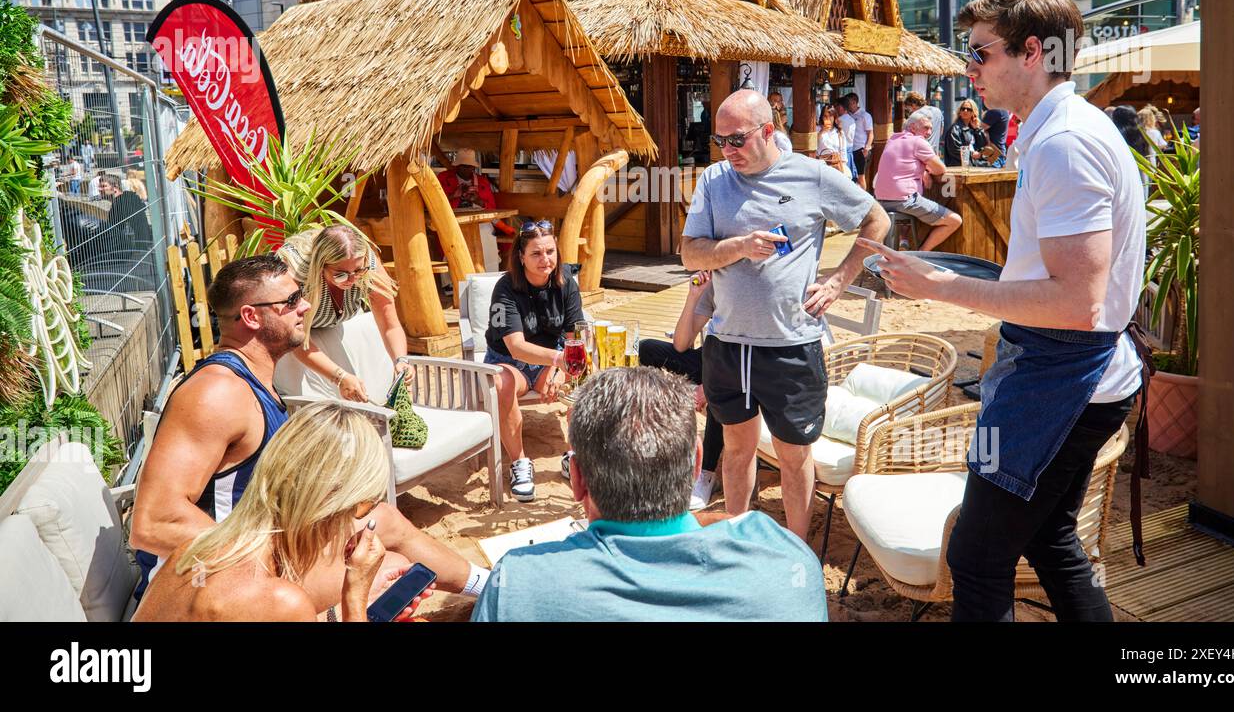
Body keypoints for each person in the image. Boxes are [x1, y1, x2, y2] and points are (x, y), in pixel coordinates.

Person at [867, 0, 1149, 622]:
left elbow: (1078, 301)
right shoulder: (1066, 129)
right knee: (1049, 541)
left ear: (1031, 52)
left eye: (979, 53)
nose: (969, 70)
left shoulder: (1064, 142)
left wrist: (945, 287)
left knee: (976, 556)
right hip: (1083, 377)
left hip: (1064, 379)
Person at [130, 255, 484, 605]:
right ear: (251, 317)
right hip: (210, 579)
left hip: (254, 549)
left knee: (382, 521)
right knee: (390, 571)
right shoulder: (216, 394)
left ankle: (492, 585)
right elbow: (153, 522)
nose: (307, 306)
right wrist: (273, 557)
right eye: (291, 301)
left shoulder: (253, 381)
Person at [680, 90, 889, 541]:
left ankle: (799, 556)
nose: (727, 151)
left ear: (768, 130)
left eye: (736, 140)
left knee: (795, 459)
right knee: (736, 451)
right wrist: (738, 245)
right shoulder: (714, 181)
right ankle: (737, 542)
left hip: (791, 345)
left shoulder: (810, 176)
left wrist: (838, 281)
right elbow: (690, 254)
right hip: (727, 344)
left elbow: (877, 220)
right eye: (720, 141)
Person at [472, 367, 827, 621]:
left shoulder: (517, 586)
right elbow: (741, 523)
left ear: (577, 478)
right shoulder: (789, 562)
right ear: (695, 465)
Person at [135, 401, 435, 621]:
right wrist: (355, 599)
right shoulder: (280, 600)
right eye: (361, 509)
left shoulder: (191, 551)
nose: (354, 527)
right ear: (325, 505)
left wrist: (341, 610)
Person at [483, 220, 583, 501]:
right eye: (536, 253)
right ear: (521, 256)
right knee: (501, 384)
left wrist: (559, 369)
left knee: (580, 375)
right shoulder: (505, 288)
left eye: (550, 251)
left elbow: (576, 334)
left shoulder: (565, 281)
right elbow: (515, 347)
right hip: (510, 362)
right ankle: (520, 463)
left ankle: (574, 456)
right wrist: (559, 359)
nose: (545, 259)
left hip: (551, 361)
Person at [275, 224, 406, 403]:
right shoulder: (297, 277)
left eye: (358, 272)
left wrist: (400, 359)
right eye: (341, 274)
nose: (351, 280)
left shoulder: (368, 266)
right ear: (321, 267)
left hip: (334, 327)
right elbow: (297, 341)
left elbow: (390, 324)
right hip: (295, 338)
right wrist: (339, 377)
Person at [637, 269, 724, 510]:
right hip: (710, 357)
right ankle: (654, 441)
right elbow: (681, 343)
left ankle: (706, 473)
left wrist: (708, 387)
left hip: (740, 366)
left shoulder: (748, 287)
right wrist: (694, 296)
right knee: (646, 349)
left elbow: (743, 353)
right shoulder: (716, 281)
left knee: (717, 392)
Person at [874, 112, 963, 251]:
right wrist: (926, 170)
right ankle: (921, 254)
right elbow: (940, 169)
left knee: (911, 213)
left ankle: (904, 243)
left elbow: (904, 164)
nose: (929, 133)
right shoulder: (918, 141)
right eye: (926, 128)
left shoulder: (893, 139)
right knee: (955, 221)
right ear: (913, 127)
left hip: (881, 200)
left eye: (930, 129)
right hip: (904, 200)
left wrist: (924, 170)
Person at [99, 172, 151, 254]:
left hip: (135, 253)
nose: (100, 189)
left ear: (115, 187)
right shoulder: (127, 197)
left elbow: (115, 229)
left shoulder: (122, 202)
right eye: (99, 186)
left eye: (104, 186)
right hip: (140, 247)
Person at [944, 99, 991, 167]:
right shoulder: (955, 129)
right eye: (963, 109)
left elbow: (982, 145)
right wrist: (971, 154)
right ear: (959, 112)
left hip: (973, 165)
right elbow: (954, 150)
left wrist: (977, 129)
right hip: (959, 167)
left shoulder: (972, 128)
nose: (965, 111)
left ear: (973, 112)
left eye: (968, 109)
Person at [845, 92, 874, 189]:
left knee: (861, 176)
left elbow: (870, 133)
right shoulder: (847, 115)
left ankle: (865, 201)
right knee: (850, 176)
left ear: (854, 102)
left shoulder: (865, 115)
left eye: (848, 102)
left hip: (860, 149)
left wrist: (867, 148)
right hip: (849, 150)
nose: (847, 105)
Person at [902, 91, 944, 155]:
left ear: (913, 105)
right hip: (934, 154)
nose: (908, 111)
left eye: (908, 109)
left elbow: (907, 139)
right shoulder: (938, 111)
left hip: (920, 155)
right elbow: (941, 132)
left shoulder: (914, 116)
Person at [815, 104, 850, 176]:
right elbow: (813, 146)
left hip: (836, 164)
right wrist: (821, 132)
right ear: (822, 117)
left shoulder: (839, 132)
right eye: (825, 116)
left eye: (830, 116)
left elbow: (843, 151)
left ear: (834, 117)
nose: (828, 119)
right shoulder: (817, 129)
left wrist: (843, 166)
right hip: (821, 164)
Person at [833, 96, 858, 181]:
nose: (835, 109)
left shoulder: (838, 121)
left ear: (841, 107)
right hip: (850, 150)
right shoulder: (852, 119)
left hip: (842, 152)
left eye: (836, 106)